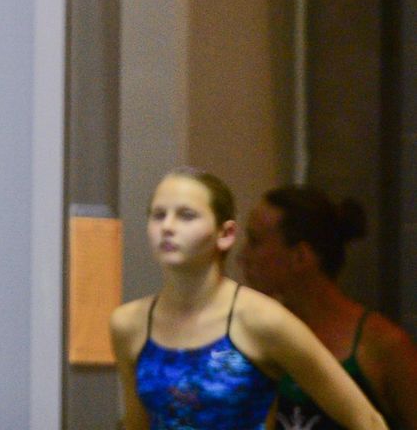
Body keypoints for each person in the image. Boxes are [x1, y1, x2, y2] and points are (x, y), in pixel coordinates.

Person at [111, 169, 387, 430]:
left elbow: (368, 421)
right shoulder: (129, 324)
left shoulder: (262, 319)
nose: (167, 227)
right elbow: (136, 424)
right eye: (158, 215)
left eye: (186, 215)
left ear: (226, 234)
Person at [240, 185, 417, 430]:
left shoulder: (382, 345)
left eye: (255, 241)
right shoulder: (257, 337)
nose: (243, 255)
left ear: (300, 256)